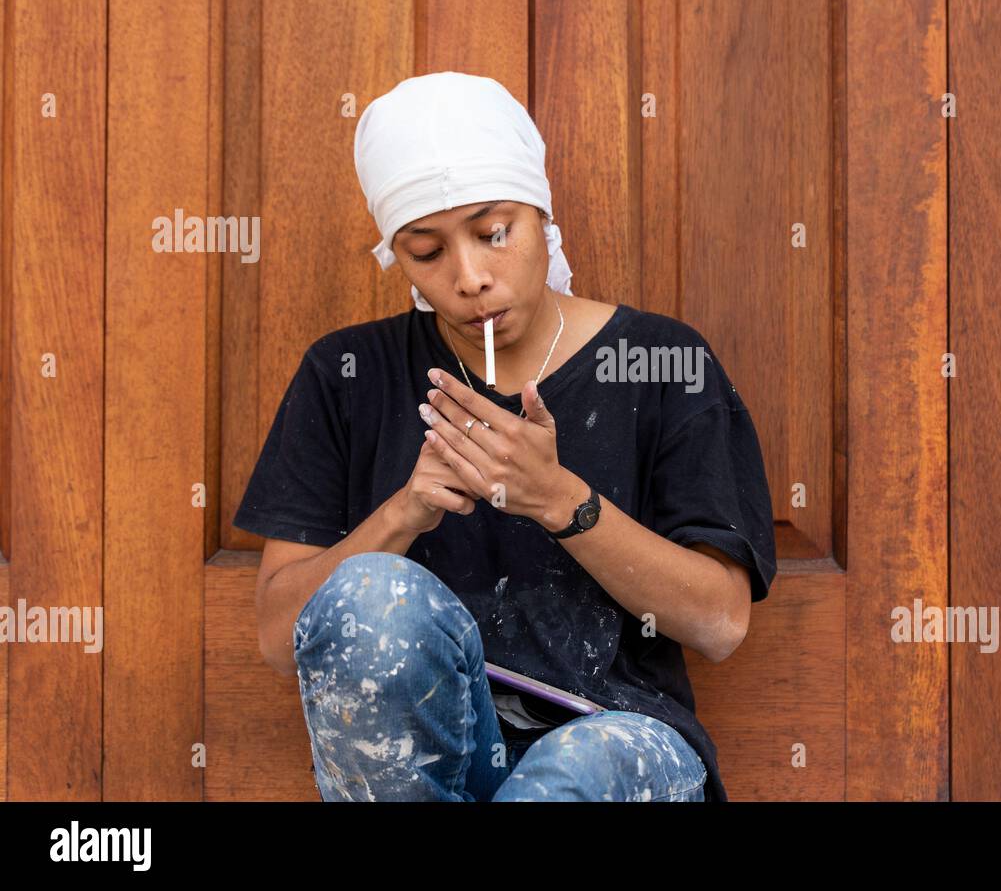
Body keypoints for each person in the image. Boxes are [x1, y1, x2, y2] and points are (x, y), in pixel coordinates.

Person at [233, 72, 777, 801]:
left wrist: (561, 501)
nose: (470, 276)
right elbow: (278, 637)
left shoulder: (659, 360)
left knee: (579, 770)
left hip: (615, 735)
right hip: (429, 760)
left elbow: (720, 621)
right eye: (427, 252)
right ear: (399, 259)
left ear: (542, 215)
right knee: (366, 594)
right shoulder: (345, 373)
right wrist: (405, 511)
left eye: (495, 233)